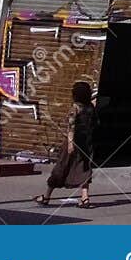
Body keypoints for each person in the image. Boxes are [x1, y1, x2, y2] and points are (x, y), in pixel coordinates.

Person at [34, 81, 95, 209]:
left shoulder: (75, 108)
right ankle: (85, 198)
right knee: (83, 169)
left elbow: (71, 127)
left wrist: (70, 144)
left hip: (73, 142)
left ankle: (46, 197)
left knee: (61, 168)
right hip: (86, 143)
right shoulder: (90, 107)